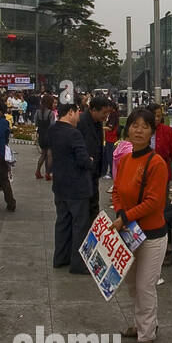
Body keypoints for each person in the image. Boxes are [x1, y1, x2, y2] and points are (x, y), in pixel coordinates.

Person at [109, 110, 172, 343]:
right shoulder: (126, 160)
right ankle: (140, 324)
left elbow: (154, 202)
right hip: (128, 233)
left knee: (145, 286)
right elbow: (116, 190)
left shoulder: (156, 163)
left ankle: (147, 334)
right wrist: (120, 213)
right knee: (131, 284)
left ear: (152, 131)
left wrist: (124, 217)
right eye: (134, 125)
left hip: (151, 235)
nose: (138, 130)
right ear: (127, 130)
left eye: (144, 126)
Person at [41, 100, 99, 274]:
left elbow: (47, 149)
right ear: (71, 112)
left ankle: (60, 258)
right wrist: (90, 161)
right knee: (80, 225)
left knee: (62, 222)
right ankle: (78, 265)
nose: (79, 117)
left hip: (60, 185)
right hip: (77, 187)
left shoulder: (53, 130)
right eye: (78, 113)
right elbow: (82, 159)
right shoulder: (74, 134)